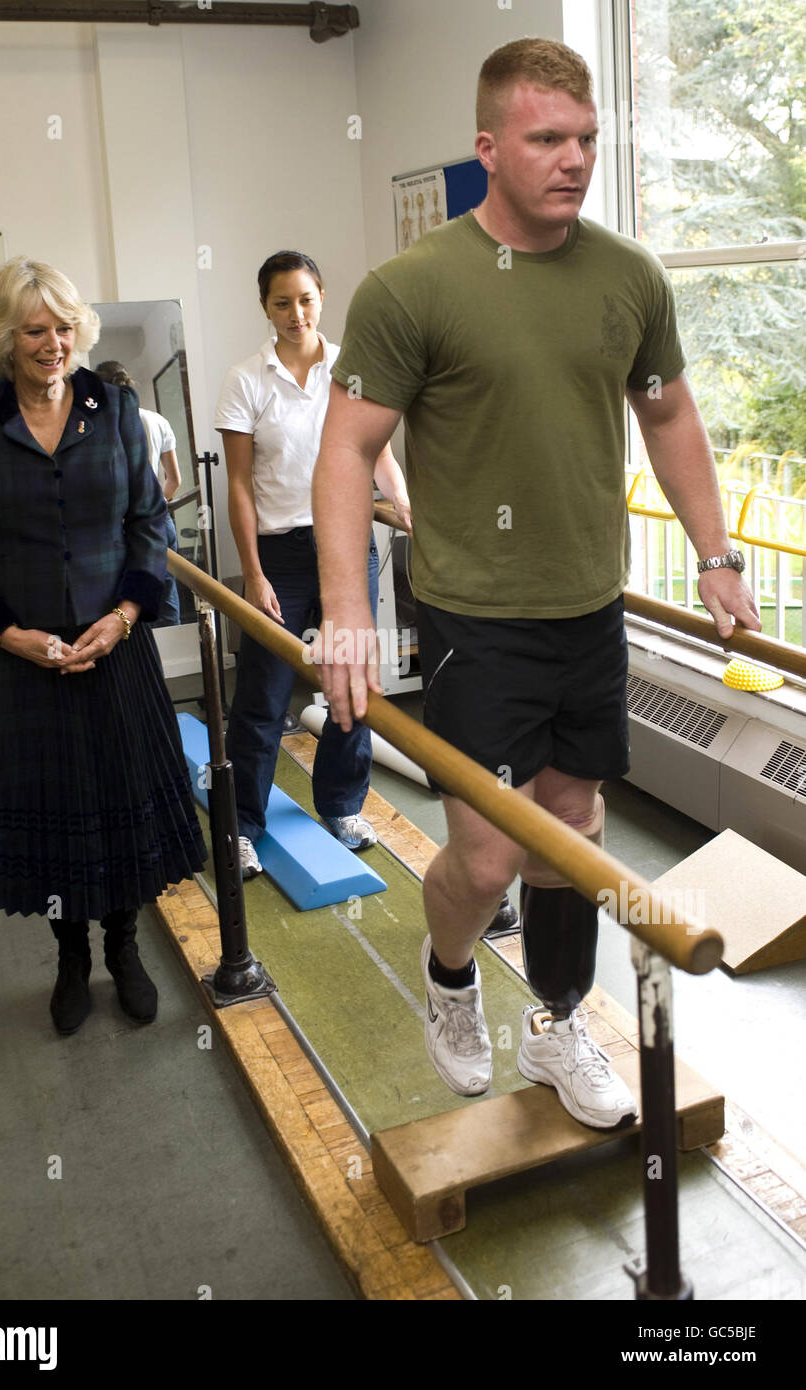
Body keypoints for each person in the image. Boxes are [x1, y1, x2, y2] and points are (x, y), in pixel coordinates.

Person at [312, 39, 760, 1127]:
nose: (574, 160)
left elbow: (668, 415)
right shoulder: (412, 289)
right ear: (488, 149)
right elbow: (344, 451)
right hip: (475, 615)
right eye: (547, 139)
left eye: (588, 140)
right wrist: (343, 614)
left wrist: (714, 554)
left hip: (588, 610)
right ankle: (452, 975)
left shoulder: (627, 277)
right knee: (488, 852)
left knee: (578, 827)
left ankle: (559, 1026)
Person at [0, 256, 207, 1036]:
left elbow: (149, 523)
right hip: (20, 665)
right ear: (5, 340)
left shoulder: (116, 409)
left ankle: (124, 949)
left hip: (113, 650)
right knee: (53, 813)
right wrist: (9, 634)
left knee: (119, 807)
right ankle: (71, 959)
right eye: (33, 331)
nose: (52, 345)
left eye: (61, 328)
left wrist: (124, 616)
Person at [214, 250, 411, 878]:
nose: (296, 314)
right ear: (265, 307)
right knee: (264, 697)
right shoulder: (246, 380)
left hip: (349, 544)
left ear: (322, 297)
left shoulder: (353, 370)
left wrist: (404, 506)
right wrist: (254, 573)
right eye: (281, 302)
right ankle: (242, 824)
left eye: (305, 299)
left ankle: (342, 805)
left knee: (351, 682)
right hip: (280, 554)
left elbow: (373, 450)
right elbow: (240, 486)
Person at [95, 360, 182, 626]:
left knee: (126, 599)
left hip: (120, 524)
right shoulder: (156, 420)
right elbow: (174, 480)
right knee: (166, 592)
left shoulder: (100, 427)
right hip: (158, 519)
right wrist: (154, 506)